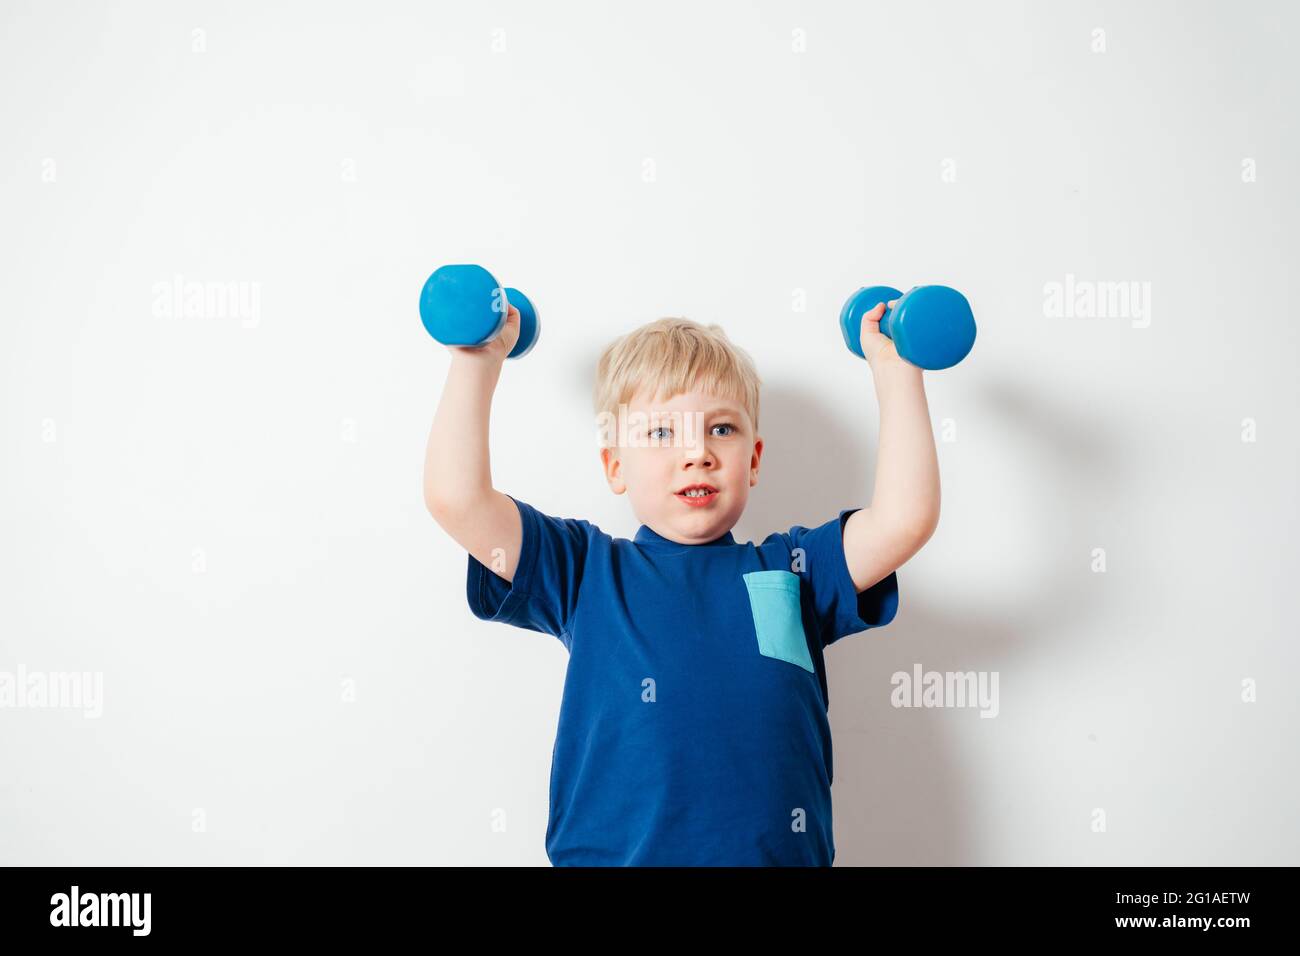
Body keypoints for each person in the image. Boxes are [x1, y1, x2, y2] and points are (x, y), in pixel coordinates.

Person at [423, 301, 939, 865]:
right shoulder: (583, 569)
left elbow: (903, 519)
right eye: (662, 432)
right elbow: (459, 499)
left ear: (754, 460)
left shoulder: (795, 569)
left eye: (721, 428)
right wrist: (478, 360)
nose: (697, 453)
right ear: (615, 466)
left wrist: (896, 370)